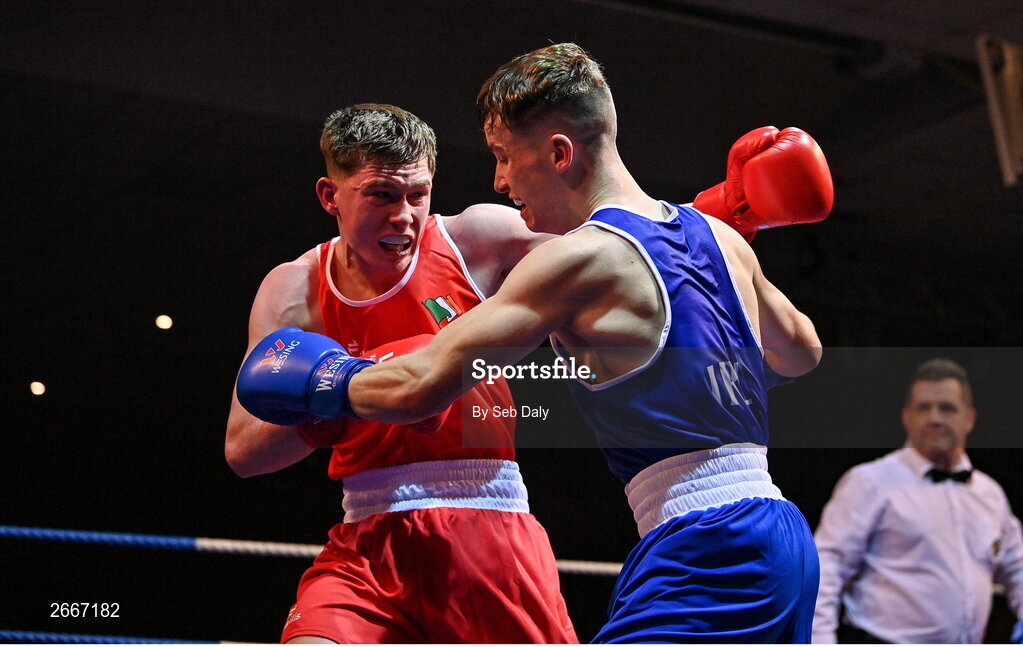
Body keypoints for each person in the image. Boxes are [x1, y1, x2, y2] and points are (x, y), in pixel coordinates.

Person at [235, 43, 832, 643]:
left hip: (705, 545)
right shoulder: (719, 239)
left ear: (558, 152)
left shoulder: (574, 259)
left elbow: (420, 385)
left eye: (503, 157)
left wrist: (326, 380)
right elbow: (799, 353)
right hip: (779, 532)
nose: (498, 180)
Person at [225, 103, 578, 643]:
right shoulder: (294, 289)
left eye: (418, 194)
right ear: (330, 197)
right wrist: (346, 393)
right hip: (365, 541)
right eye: (383, 195)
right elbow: (244, 450)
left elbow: (612, 253)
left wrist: (716, 214)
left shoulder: (476, 240)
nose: (405, 216)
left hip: (486, 524)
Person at [812, 358, 1023, 644]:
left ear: (969, 418)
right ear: (906, 417)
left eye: (947, 408)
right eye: (924, 408)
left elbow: (1017, 569)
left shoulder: (990, 495)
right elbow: (825, 569)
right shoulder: (870, 481)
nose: (934, 418)